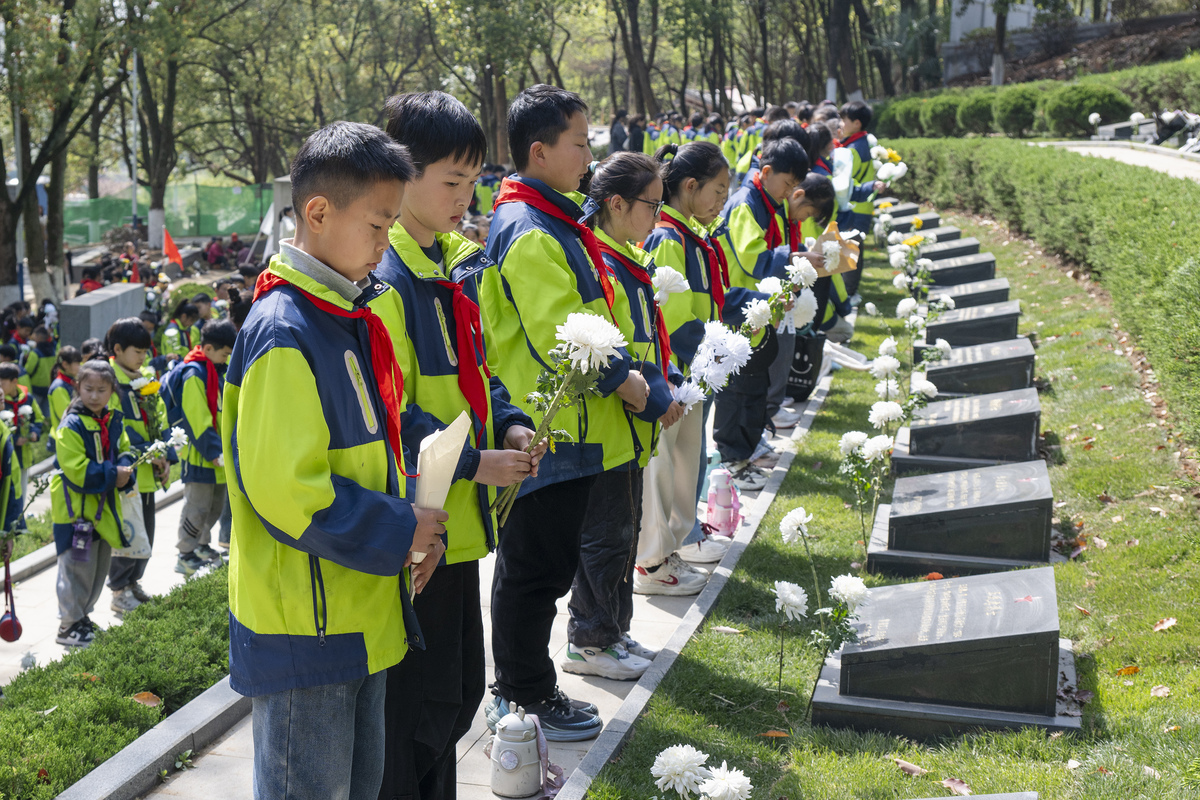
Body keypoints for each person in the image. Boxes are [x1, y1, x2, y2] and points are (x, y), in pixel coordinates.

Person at [226, 121, 447, 800]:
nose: (387, 244)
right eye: (379, 226)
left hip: (358, 618)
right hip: (309, 635)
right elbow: (291, 493)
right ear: (318, 212)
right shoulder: (287, 330)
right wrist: (399, 528)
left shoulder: (349, 314)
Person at [372, 90, 546, 800]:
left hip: (458, 528)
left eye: (472, 181)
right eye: (450, 181)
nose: (464, 197)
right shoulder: (387, 282)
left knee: (456, 696)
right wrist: (478, 462)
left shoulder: (452, 267)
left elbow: (479, 377)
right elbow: (393, 411)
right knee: (420, 709)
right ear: (399, 175)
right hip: (424, 529)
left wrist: (506, 423)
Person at [478, 85, 649, 741]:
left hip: (568, 425)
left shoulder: (556, 219)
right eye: (580, 142)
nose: (589, 153)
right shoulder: (527, 229)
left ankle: (529, 689)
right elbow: (564, 329)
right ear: (540, 150)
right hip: (542, 424)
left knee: (546, 568)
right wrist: (630, 383)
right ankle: (521, 694)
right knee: (532, 569)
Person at [563, 151, 679, 681]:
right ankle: (589, 638)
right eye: (651, 205)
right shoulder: (602, 261)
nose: (658, 217)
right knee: (604, 535)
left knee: (623, 531)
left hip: (629, 425)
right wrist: (654, 396)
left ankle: (614, 629)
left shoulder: (623, 256)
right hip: (608, 423)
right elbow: (619, 350)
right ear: (615, 203)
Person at [636, 142, 739, 595]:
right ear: (690, 185)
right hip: (675, 374)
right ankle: (653, 561)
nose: (721, 202)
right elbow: (673, 318)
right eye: (717, 191)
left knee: (686, 462)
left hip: (695, 372)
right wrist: (710, 352)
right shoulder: (667, 237)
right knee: (664, 465)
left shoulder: (692, 236)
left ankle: (678, 539)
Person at [716, 137, 814, 490]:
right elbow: (752, 258)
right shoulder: (747, 203)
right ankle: (732, 460)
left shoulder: (766, 201)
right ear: (767, 171)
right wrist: (795, 260)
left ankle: (747, 450)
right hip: (739, 308)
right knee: (736, 391)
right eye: (788, 184)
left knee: (753, 386)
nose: (790, 193)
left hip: (757, 313)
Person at [50, 360, 135, 648]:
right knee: (76, 567)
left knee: (97, 566)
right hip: (76, 512)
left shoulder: (111, 419)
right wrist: (115, 475)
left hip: (102, 509)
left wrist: (125, 468)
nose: (95, 396)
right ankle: (68, 624)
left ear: (112, 390)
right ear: (78, 388)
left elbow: (124, 447)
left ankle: (83, 616)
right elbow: (77, 470)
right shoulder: (71, 424)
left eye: (102, 389)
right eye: (89, 389)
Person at [105, 318, 170, 615]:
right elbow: (117, 431)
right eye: (137, 351)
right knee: (128, 533)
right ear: (117, 350)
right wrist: (147, 452)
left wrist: (164, 452)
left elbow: (160, 417)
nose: (143, 357)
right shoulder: (109, 381)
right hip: (127, 474)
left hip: (147, 473)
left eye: (145, 352)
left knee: (147, 532)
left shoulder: (145, 378)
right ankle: (118, 590)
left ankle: (133, 582)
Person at [163, 318, 235, 575]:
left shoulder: (214, 370)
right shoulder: (194, 374)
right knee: (197, 507)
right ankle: (185, 552)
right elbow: (197, 419)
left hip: (217, 456)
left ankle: (202, 545)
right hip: (201, 456)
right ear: (208, 350)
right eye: (225, 354)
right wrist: (214, 451)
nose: (227, 359)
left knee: (214, 506)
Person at [0, 363, 44, 503]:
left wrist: (34, 432)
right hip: (5, 451)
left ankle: (18, 518)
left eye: (3, 382)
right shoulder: (1, 401)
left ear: (14, 381)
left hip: (23, 452)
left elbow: (38, 418)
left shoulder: (27, 398)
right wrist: (15, 437)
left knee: (22, 487)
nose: (0, 386)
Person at [47, 346, 83, 448]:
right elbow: (65, 414)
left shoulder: (70, 381)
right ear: (65, 364)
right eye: (77, 363)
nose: (80, 366)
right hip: (62, 437)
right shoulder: (59, 387)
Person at [23, 325, 57, 417]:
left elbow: (28, 370)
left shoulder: (35, 352)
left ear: (37, 336)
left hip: (36, 388)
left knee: (35, 414)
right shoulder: (53, 350)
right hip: (48, 386)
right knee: (47, 414)